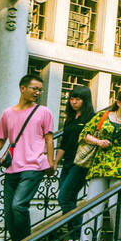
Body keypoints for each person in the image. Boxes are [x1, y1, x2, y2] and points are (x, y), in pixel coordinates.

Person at [0, 74, 55, 241]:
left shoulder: (43, 112)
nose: (37, 92)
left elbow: (49, 139)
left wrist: (51, 162)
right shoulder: (8, 113)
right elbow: (0, 140)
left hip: (34, 166)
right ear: (22, 88)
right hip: (12, 168)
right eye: (34, 88)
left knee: (18, 206)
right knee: (9, 211)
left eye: (40, 90)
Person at [67, 88, 121, 241]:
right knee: (93, 205)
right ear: (119, 102)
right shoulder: (103, 116)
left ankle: (120, 239)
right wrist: (98, 142)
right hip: (100, 165)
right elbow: (84, 134)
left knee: (117, 205)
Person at [52, 83, 94, 231]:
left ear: (85, 100)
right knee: (69, 199)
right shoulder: (69, 118)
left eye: (78, 99)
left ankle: (78, 234)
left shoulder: (91, 118)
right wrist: (55, 162)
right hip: (68, 162)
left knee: (64, 197)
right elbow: (63, 143)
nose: (74, 102)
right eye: (71, 99)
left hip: (81, 163)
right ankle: (75, 236)